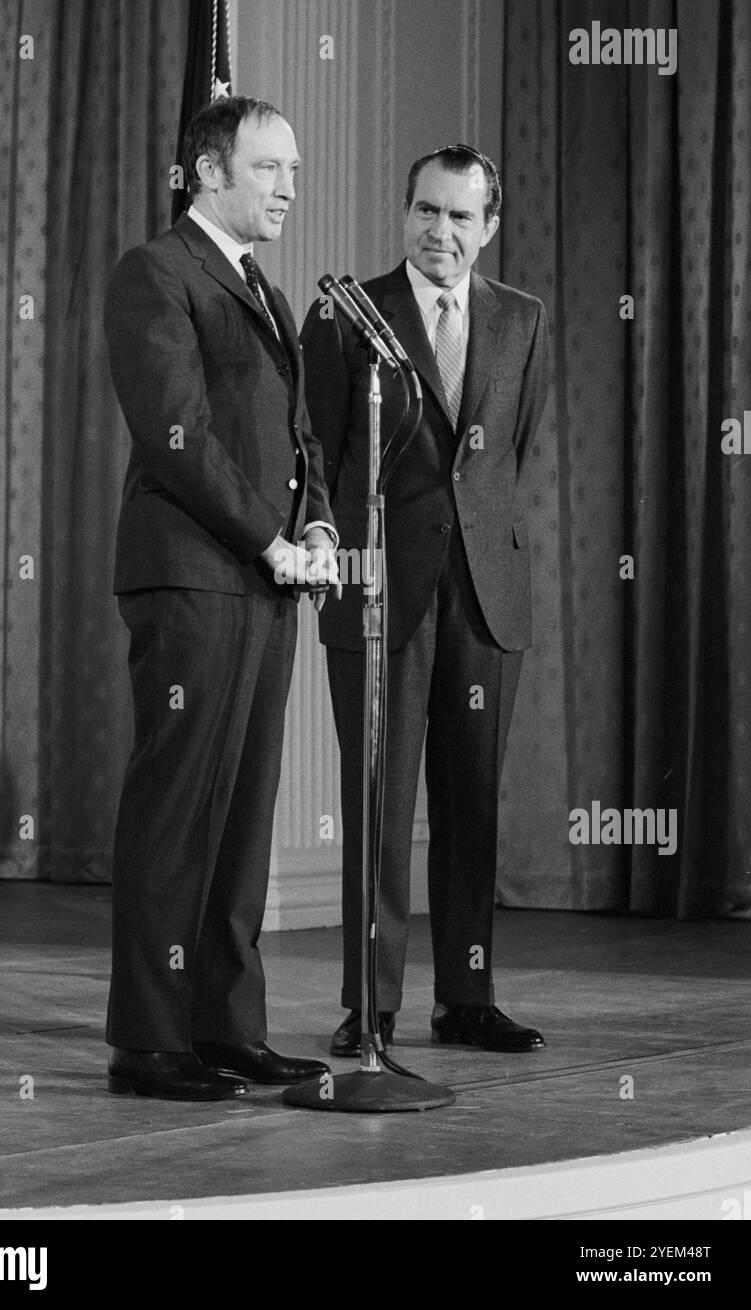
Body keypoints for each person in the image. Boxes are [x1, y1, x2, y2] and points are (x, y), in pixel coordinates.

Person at [104, 95, 340, 1100]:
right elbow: (175, 434)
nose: (289, 185)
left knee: (242, 814)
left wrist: (319, 524)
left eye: (293, 167)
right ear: (208, 171)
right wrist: (272, 539)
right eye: (269, 167)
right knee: (178, 812)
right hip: (196, 574)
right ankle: (150, 1041)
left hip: (265, 579)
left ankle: (227, 1025)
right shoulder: (156, 272)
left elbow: (295, 436)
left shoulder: (266, 290)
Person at [301, 144, 550, 1058]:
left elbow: (510, 456)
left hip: (486, 593)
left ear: (488, 227)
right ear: (403, 213)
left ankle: (467, 998)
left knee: (471, 802)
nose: (437, 232)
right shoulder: (347, 316)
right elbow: (317, 455)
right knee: (377, 802)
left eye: (456, 216)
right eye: (423, 211)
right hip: (380, 591)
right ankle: (371, 1005)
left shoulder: (522, 319)